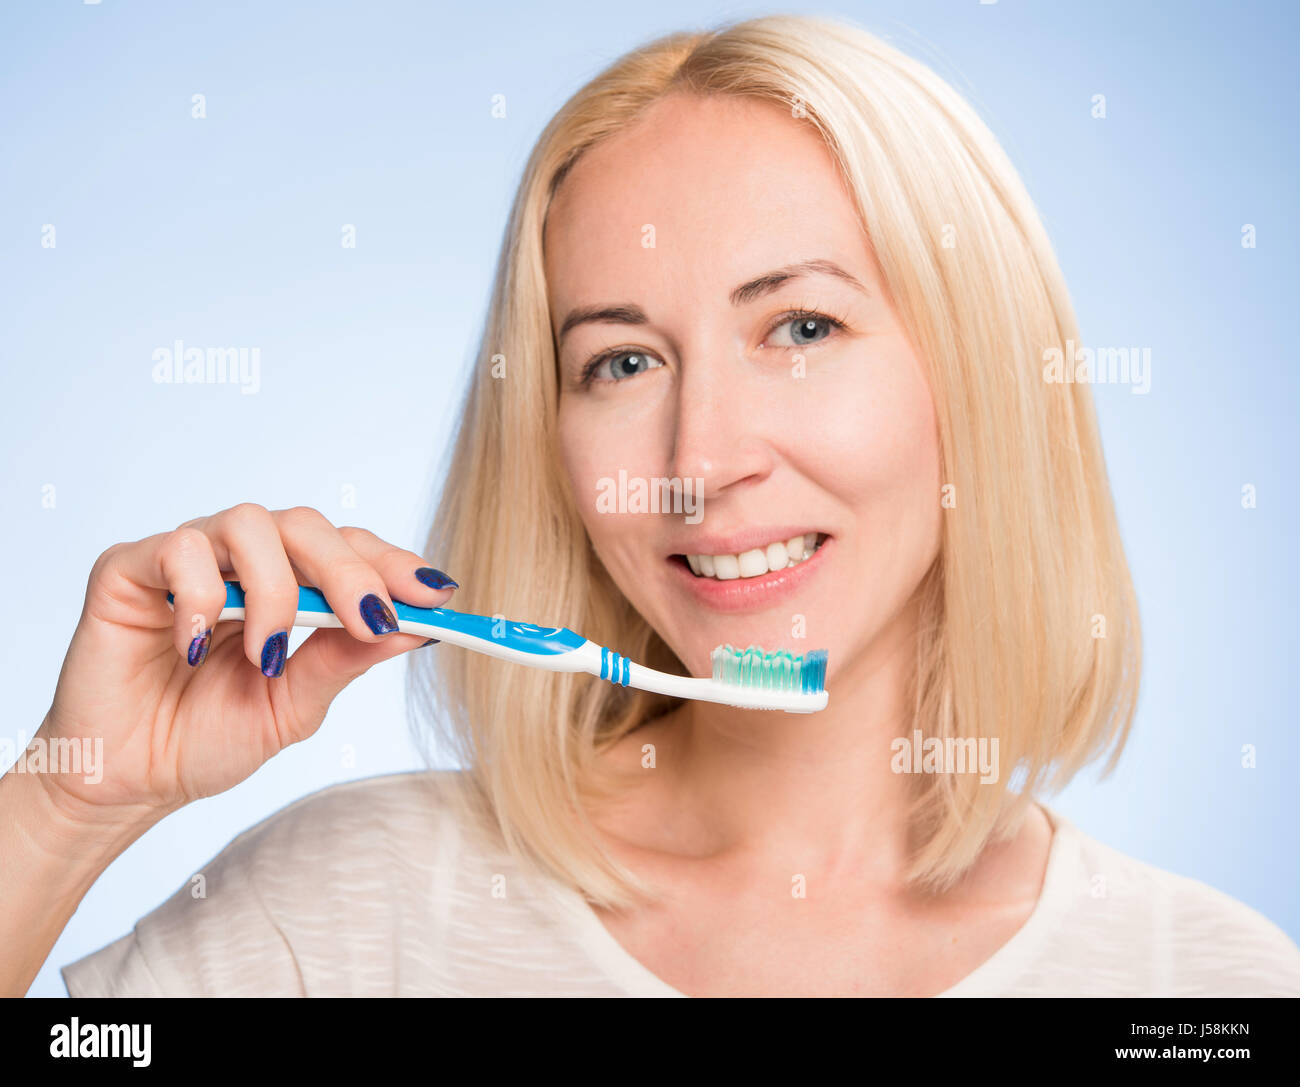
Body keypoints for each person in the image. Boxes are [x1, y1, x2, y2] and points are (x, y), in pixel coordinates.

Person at [6, 13, 1298, 998]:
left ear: (978, 383)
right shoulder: (350, 913)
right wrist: (67, 808)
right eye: (622, 362)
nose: (700, 458)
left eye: (799, 325)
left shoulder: (1202, 985)